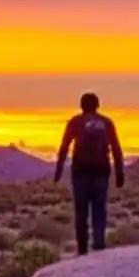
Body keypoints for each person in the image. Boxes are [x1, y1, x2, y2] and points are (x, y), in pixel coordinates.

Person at [53, 92, 125, 255]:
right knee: (99, 211)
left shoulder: (75, 122)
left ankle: (82, 250)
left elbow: (64, 147)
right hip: (101, 172)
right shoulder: (107, 123)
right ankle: (99, 247)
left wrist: (58, 171)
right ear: (98, 105)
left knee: (81, 211)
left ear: (81, 105)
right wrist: (119, 173)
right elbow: (116, 148)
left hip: (81, 172)